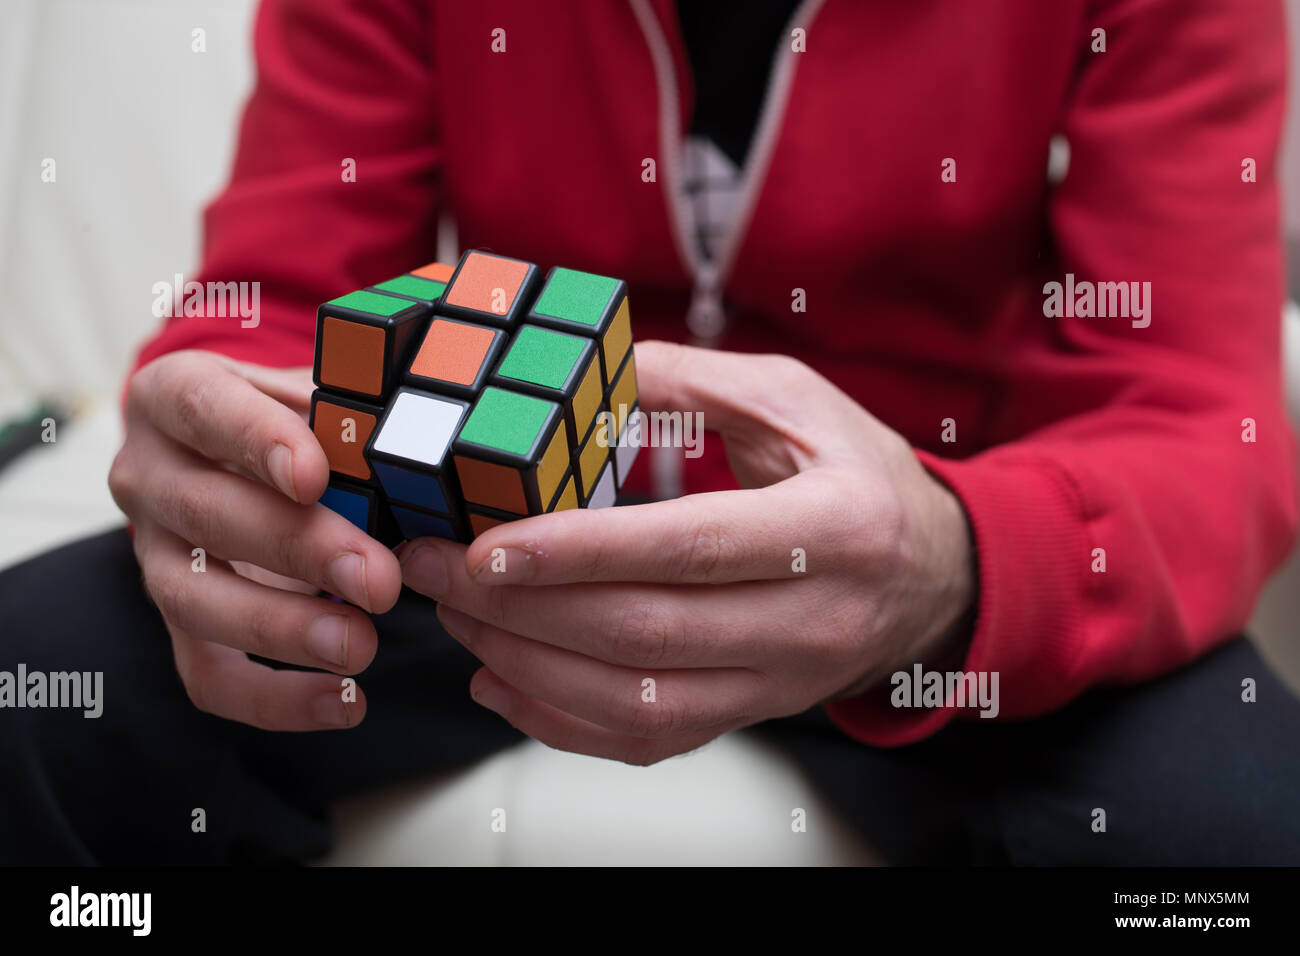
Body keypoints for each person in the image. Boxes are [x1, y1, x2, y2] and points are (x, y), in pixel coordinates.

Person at [2, 0, 1298, 865]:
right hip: (481, 545)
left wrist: (958, 564)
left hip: (940, 570)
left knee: (1236, 829)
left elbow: (1197, 413)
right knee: (37, 676)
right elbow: (281, 297)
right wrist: (206, 425)